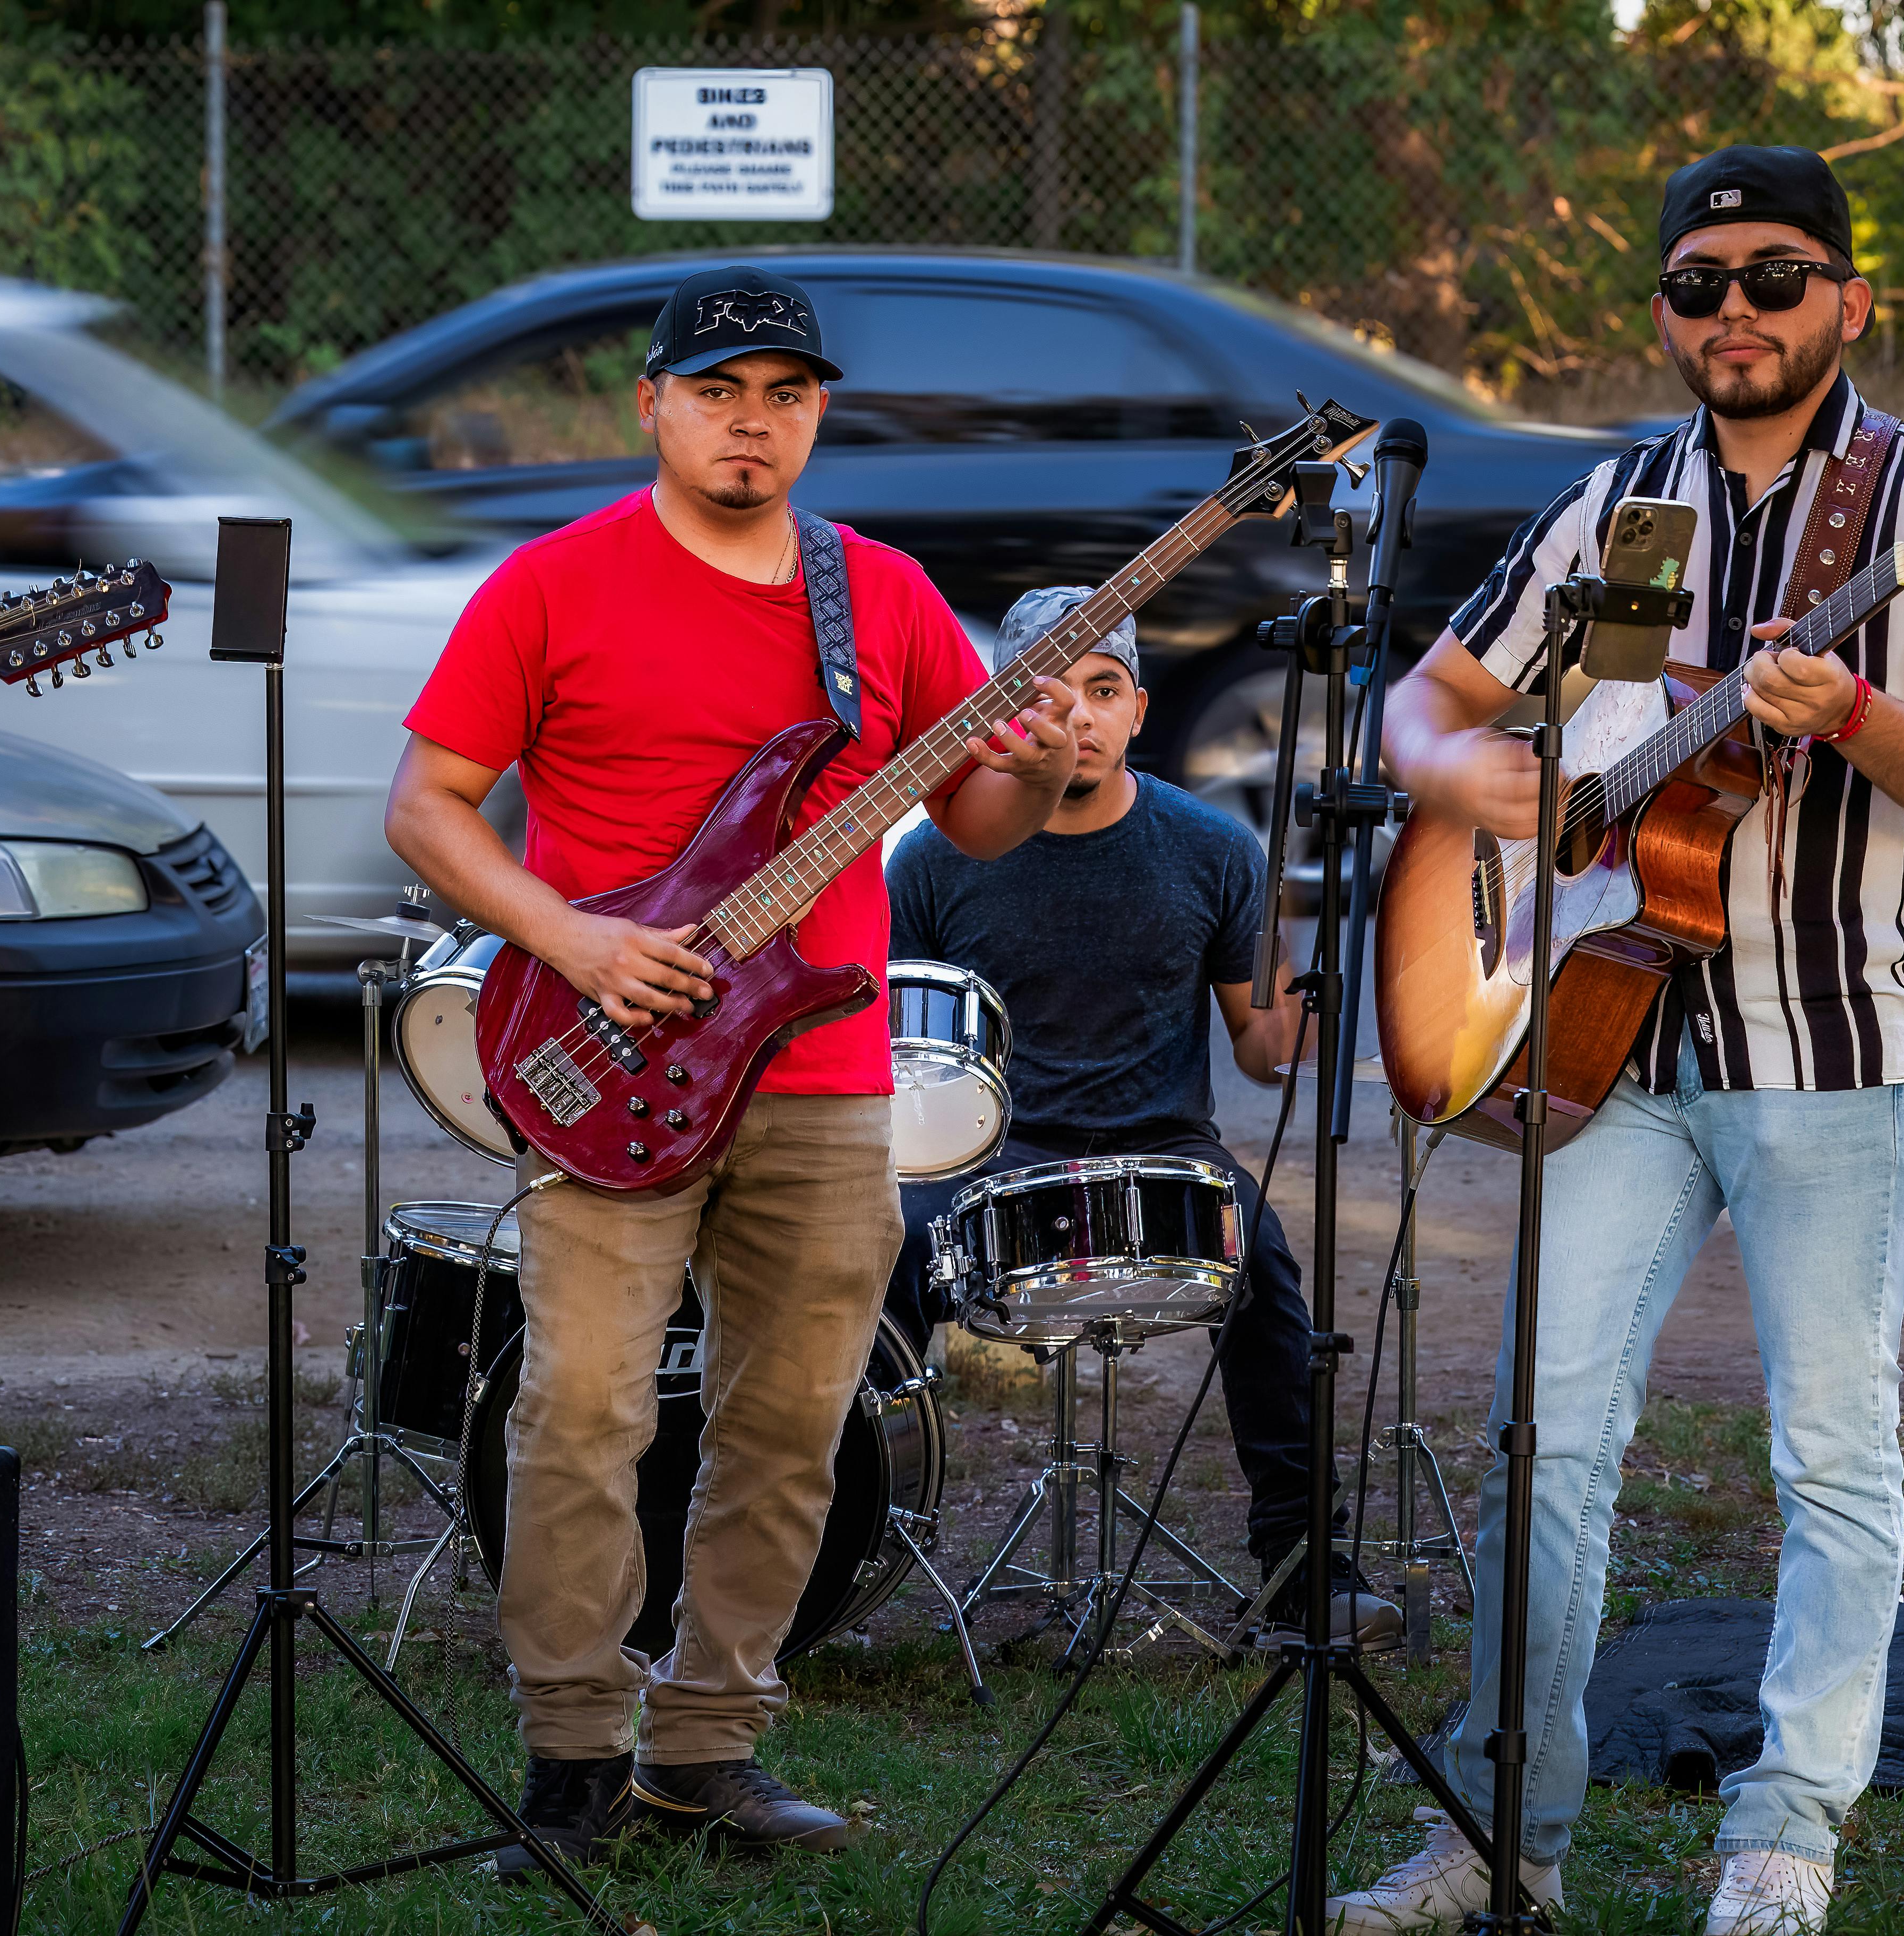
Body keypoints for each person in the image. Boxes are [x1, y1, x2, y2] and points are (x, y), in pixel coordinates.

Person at [1328, 147, 1904, 1936]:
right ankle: (1505, 1827)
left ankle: (1784, 1830)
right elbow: (1438, 688)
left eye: (1776, 275)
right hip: (1605, 1033)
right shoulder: (1618, 504)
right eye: (1698, 283)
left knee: (1829, 1449)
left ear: (1848, 298)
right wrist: (1452, 770)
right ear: (1661, 308)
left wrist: (1856, 710)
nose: (1735, 311)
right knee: (1539, 1433)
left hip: (1828, 1044)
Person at [385, 265, 1074, 1876]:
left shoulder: (883, 595)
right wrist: (574, 941)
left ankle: (707, 1749)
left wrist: (1032, 769)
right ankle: (572, 1759)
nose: (750, 423)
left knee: (793, 1420)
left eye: (783, 395)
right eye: (718, 392)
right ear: (653, 406)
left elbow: (975, 820)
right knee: (581, 1408)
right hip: (606, 1049)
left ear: (816, 413)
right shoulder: (552, 585)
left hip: (822, 1067)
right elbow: (429, 806)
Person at [886, 589, 1398, 1644]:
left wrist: (1320, 995)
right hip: (986, 1148)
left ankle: (1304, 1564)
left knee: (1266, 1275)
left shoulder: (1214, 850)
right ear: (995, 714)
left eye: (1103, 692)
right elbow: (894, 1053)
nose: (1076, 717)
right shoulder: (933, 859)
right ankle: (839, 1547)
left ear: (1139, 712)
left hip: (1161, 1145)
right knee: (869, 1268)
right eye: (1047, 694)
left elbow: (1263, 1054)